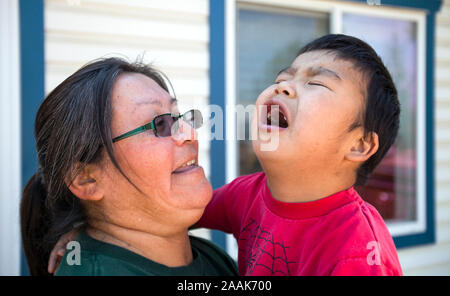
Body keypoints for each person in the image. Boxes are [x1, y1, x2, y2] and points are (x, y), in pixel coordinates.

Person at [197, 34, 403, 275]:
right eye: (282, 78)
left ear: (359, 144)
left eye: (315, 83)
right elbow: (176, 213)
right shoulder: (244, 195)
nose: (281, 87)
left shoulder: (356, 251)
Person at [21, 57, 238, 276]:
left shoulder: (211, 258)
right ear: (86, 179)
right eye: (159, 125)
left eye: (178, 116)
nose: (190, 134)